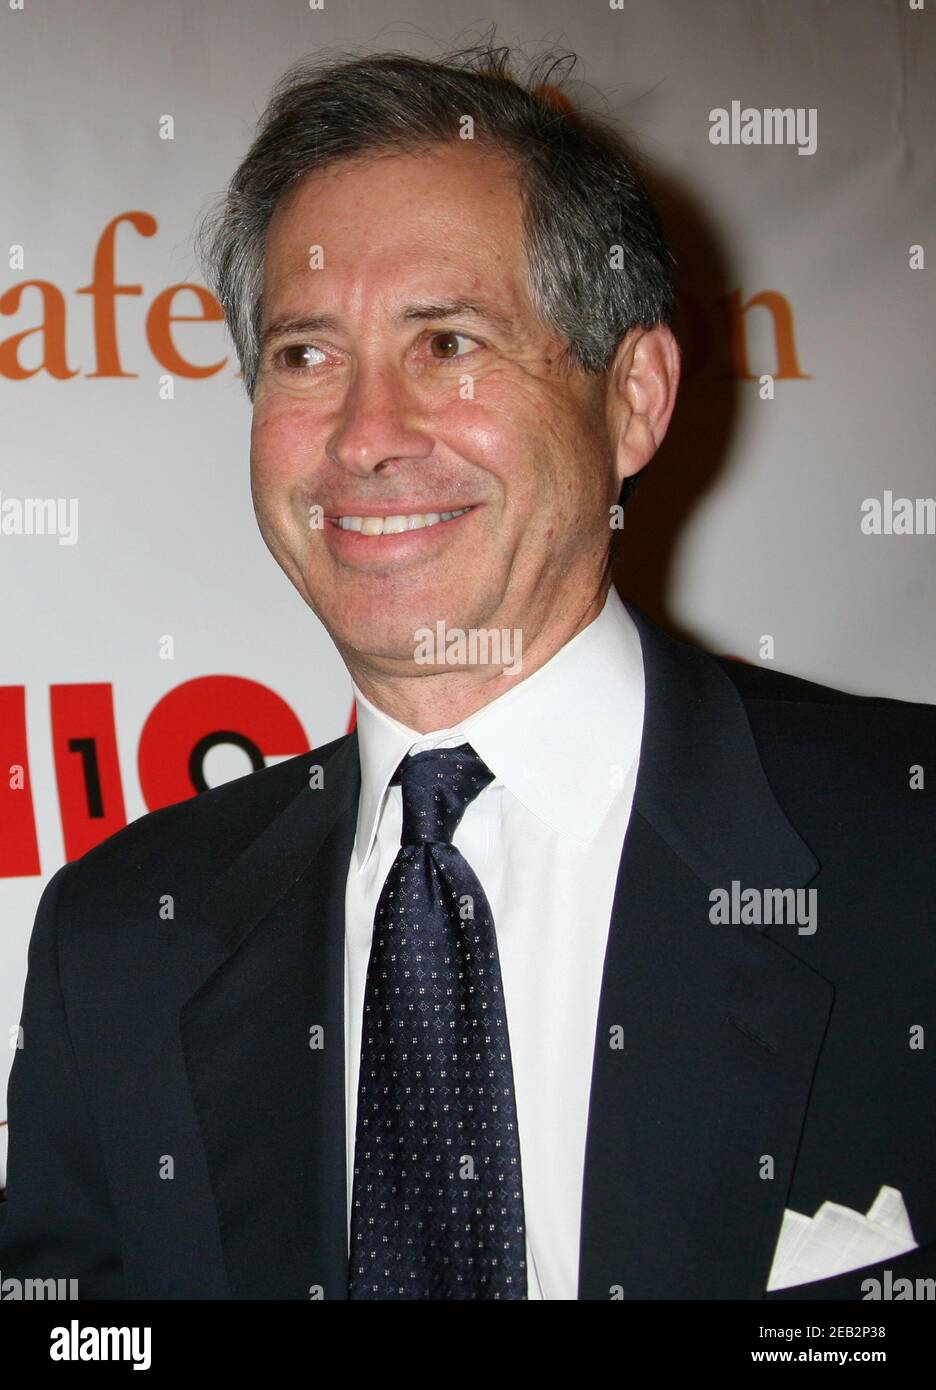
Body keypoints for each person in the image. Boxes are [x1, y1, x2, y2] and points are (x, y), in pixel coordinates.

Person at [1, 43, 933, 1301]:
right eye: (305, 356)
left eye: (446, 342)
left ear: (635, 399)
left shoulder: (908, 846)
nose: (366, 434)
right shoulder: (116, 942)